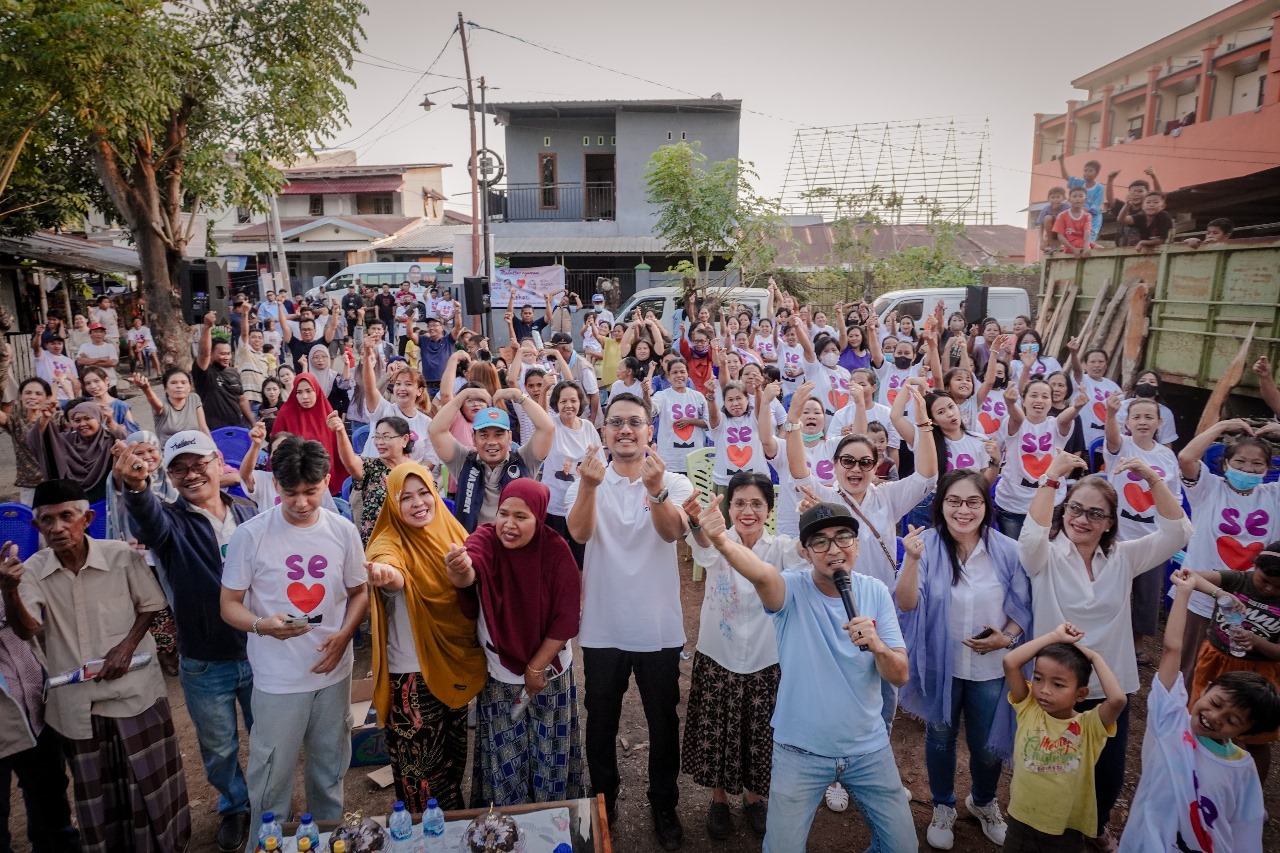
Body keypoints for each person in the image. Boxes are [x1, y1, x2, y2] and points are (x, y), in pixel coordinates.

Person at [697, 499, 915, 852]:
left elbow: (900, 674)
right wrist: (722, 541)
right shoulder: (791, 589)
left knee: (902, 846)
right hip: (800, 750)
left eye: (843, 537)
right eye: (820, 541)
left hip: (868, 749)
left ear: (857, 544)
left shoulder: (875, 591)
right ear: (805, 550)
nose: (834, 549)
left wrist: (878, 646)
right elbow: (761, 573)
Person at [1018, 451, 1192, 850]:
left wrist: (1151, 476)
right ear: (1064, 511)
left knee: (1109, 775)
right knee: (1054, 768)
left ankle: (1095, 826)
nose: (1082, 519)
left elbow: (1178, 532)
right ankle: (1050, 830)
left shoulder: (1123, 556)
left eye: (1096, 514)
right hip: (1058, 688)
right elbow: (1029, 539)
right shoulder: (1044, 555)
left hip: (1111, 686)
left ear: (1110, 523)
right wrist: (1050, 478)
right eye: (1075, 508)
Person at [11, 479, 191, 853]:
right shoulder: (31, 570)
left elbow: (151, 604)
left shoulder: (120, 556)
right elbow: (27, 627)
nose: (57, 527)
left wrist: (126, 647)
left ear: (87, 518)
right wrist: (8, 590)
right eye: (47, 520)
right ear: (36, 527)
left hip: (134, 694)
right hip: (77, 705)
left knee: (152, 789)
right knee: (98, 796)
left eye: (66, 517)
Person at [220, 436, 369, 840]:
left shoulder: (342, 530)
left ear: (325, 481)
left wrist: (344, 635)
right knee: (271, 781)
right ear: (276, 485)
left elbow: (359, 591)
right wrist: (261, 625)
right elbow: (229, 604)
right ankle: (265, 844)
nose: (301, 502)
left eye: (311, 491)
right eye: (291, 493)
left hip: (333, 676)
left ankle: (329, 841)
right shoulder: (251, 536)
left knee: (329, 772)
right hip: (278, 681)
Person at [116, 430, 259, 852]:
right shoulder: (170, 523)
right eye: (180, 469)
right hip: (204, 659)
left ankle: (270, 802)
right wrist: (136, 486)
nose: (191, 474)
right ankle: (235, 805)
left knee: (267, 735)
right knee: (218, 746)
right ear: (172, 479)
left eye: (198, 464)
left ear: (218, 462)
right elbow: (147, 517)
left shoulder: (249, 511)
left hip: (260, 649)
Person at [566, 393, 694, 848]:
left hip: (658, 626)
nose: (624, 429)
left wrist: (656, 489)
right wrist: (587, 487)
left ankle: (664, 803)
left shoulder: (672, 480)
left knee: (663, 720)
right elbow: (579, 534)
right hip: (603, 624)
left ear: (649, 432)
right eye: (615, 422)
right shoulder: (587, 479)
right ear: (603, 433)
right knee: (600, 719)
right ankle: (604, 800)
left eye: (634, 422)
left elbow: (671, 531)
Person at [896, 470, 1031, 850]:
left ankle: (984, 801)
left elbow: (1022, 604)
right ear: (941, 505)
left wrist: (1007, 637)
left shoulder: (1007, 550)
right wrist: (910, 561)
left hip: (991, 667)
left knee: (987, 744)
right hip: (941, 663)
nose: (963, 509)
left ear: (986, 506)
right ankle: (943, 804)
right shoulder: (925, 547)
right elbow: (906, 603)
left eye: (973, 501)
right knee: (940, 736)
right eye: (953, 501)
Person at [681, 473, 807, 840]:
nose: (747, 511)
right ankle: (718, 799)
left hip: (766, 660)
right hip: (717, 655)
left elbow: (805, 553)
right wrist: (697, 522)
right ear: (729, 506)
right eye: (739, 503)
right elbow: (703, 550)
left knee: (760, 732)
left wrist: (813, 520)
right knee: (717, 728)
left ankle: (754, 798)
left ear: (768, 509)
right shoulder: (719, 541)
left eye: (756, 503)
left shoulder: (780, 548)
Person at [444, 479, 585, 807]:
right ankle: (508, 828)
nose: (508, 524)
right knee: (506, 756)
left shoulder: (556, 551)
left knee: (549, 750)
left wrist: (537, 666)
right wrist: (459, 570)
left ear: (539, 517)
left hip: (550, 674)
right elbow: (470, 568)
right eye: (503, 513)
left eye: (521, 517)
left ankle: (553, 822)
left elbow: (566, 620)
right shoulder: (485, 539)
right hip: (500, 674)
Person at [1117, 568, 1279, 853]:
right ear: (1205, 688)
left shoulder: (1243, 769)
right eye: (1216, 704)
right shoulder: (1169, 721)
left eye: (1232, 720)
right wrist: (1184, 592)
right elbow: (1172, 650)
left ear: (1246, 733)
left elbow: (1246, 833)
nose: (1215, 717)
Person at [363, 462, 485, 810]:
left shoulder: (451, 531)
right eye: (406, 497)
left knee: (451, 764)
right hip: (411, 676)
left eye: (424, 493)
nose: (418, 504)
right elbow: (390, 567)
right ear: (393, 502)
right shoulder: (389, 540)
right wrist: (387, 574)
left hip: (454, 666)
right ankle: (424, 839)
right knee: (420, 775)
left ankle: (451, 833)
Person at [1001, 623, 1125, 853]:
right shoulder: (1028, 708)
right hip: (1021, 821)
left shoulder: (1089, 726)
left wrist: (1094, 657)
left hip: (1065, 829)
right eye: (1038, 678)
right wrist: (1054, 636)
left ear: (1081, 694)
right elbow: (1011, 662)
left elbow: (1117, 700)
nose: (1044, 690)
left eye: (1058, 684)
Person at [1175, 420, 1280, 684]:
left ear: (1268, 469)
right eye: (1240, 461)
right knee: (1190, 666)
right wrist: (1223, 426)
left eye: (1257, 464)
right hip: (1203, 595)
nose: (1248, 468)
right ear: (1225, 464)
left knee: (1238, 673)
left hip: (1254, 604)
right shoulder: (1208, 488)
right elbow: (1186, 457)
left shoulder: (1274, 495)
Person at [0, 539, 80, 853]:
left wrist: (11, 588)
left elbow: (31, 630)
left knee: (50, 800)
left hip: (35, 705)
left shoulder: (10, 568)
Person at [1176, 547, 1280, 784]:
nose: (1269, 589)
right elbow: (1190, 576)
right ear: (1256, 566)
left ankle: (1252, 792)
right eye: (1265, 580)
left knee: (1256, 738)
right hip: (1215, 662)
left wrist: (1257, 642)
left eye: (1278, 587)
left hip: (1258, 676)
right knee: (1205, 716)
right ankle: (1192, 777)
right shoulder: (1239, 580)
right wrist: (1220, 593)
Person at [430, 388, 553, 532]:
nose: (491, 442)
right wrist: (463, 396)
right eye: (484, 435)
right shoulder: (463, 461)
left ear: (510, 437)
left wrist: (519, 396)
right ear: (473, 439)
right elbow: (436, 430)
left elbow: (547, 428)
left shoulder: (524, 460)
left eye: (499, 435)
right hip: (474, 545)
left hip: (514, 543)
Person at [539, 381, 603, 568]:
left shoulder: (588, 428)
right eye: (563, 401)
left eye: (573, 400)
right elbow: (541, 419)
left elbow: (601, 464)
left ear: (580, 403)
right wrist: (543, 391)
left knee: (582, 560)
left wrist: (592, 460)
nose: (568, 405)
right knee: (554, 559)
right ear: (556, 404)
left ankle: (582, 596)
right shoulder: (552, 426)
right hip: (555, 504)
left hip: (581, 504)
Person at [328, 414, 413, 545]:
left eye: (386, 437)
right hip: (375, 545)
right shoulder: (370, 467)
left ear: (405, 440)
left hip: (409, 543)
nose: (379, 442)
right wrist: (341, 432)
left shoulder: (418, 472)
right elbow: (350, 462)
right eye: (377, 437)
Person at [271, 372, 351, 495]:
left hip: (324, 477)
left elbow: (337, 449)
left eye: (309, 391)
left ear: (316, 391)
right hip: (294, 481)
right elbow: (275, 449)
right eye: (299, 392)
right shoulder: (285, 414)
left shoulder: (327, 413)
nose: (305, 396)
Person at [28, 401, 125, 503]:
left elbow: (132, 445)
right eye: (77, 420)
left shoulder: (110, 440)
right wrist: (45, 419)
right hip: (73, 502)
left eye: (87, 418)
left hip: (106, 501)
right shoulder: (66, 440)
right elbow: (36, 441)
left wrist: (111, 422)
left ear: (99, 418)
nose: (82, 424)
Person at [0, 378, 55, 504]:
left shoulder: (57, 419)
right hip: (30, 484)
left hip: (56, 481)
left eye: (38, 394)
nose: (32, 397)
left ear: (48, 397)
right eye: (28, 393)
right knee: (31, 519)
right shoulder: (16, 422)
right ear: (20, 396)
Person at [651, 359, 708, 476]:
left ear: (688, 374)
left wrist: (691, 421)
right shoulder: (662, 395)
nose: (679, 376)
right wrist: (646, 394)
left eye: (682, 372)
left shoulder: (698, 397)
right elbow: (651, 410)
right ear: (668, 376)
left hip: (695, 459)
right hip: (669, 460)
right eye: (674, 372)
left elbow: (709, 423)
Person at [131, 368, 209, 446]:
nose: (179, 386)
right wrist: (146, 389)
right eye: (173, 383)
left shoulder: (194, 398)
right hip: (170, 453)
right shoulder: (162, 404)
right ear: (165, 388)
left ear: (190, 387)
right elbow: (157, 404)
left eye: (183, 382)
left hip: (195, 447)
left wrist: (213, 448)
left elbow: (203, 428)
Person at [1058, 158, 1104, 243]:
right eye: (1085, 170)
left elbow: (1095, 208)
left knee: (1088, 242)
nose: (1087, 173)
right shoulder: (1080, 183)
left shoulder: (1099, 188)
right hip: (1079, 218)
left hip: (1092, 219)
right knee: (1077, 241)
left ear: (1096, 173)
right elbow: (1066, 177)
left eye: (1090, 171)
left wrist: (1079, 208)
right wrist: (1061, 162)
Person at [30, 326, 78, 403]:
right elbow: (36, 347)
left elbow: (75, 381)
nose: (57, 346)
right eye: (53, 343)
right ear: (46, 345)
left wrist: (75, 399)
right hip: (49, 399)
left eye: (59, 343)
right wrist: (38, 334)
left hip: (68, 398)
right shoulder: (43, 356)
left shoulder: (69, 361)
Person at [75, 322, 120, 394]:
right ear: (90, 333)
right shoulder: (84, 346)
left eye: (101, 332)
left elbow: (113, 363)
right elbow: (80, 361)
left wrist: (89, 361)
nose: (98, 334)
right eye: (95, 332)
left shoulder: (110, 347)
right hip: (91, 384)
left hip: (109, 382)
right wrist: (101, 359)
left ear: (104, 334)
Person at [1053, 188, 1093, 258]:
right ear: (1069, 200)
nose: (1077, 199)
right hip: (1070, 245)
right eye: (1074, 196)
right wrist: (1073, 249)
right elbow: (1060, 236)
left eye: (1081, 196)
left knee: (1100, 248)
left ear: (1085, 199)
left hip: (1082, 243)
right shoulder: (1062, 215)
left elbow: (1087, 232)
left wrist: (1086, 246)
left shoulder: (1087, 215)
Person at [1039, 187, 1070, 253]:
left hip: (1065, 232)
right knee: (1047, 218)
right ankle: (1051, 244)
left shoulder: (1067, 207)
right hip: (1052, 233)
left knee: (1062, 217)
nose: (1056, 200)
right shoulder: (1045, 209)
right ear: (1049, 199)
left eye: (1058, 197)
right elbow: (1041, 226)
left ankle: (1063, 243)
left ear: (1063, 198)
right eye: (1053, 197)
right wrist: (1041, 241)